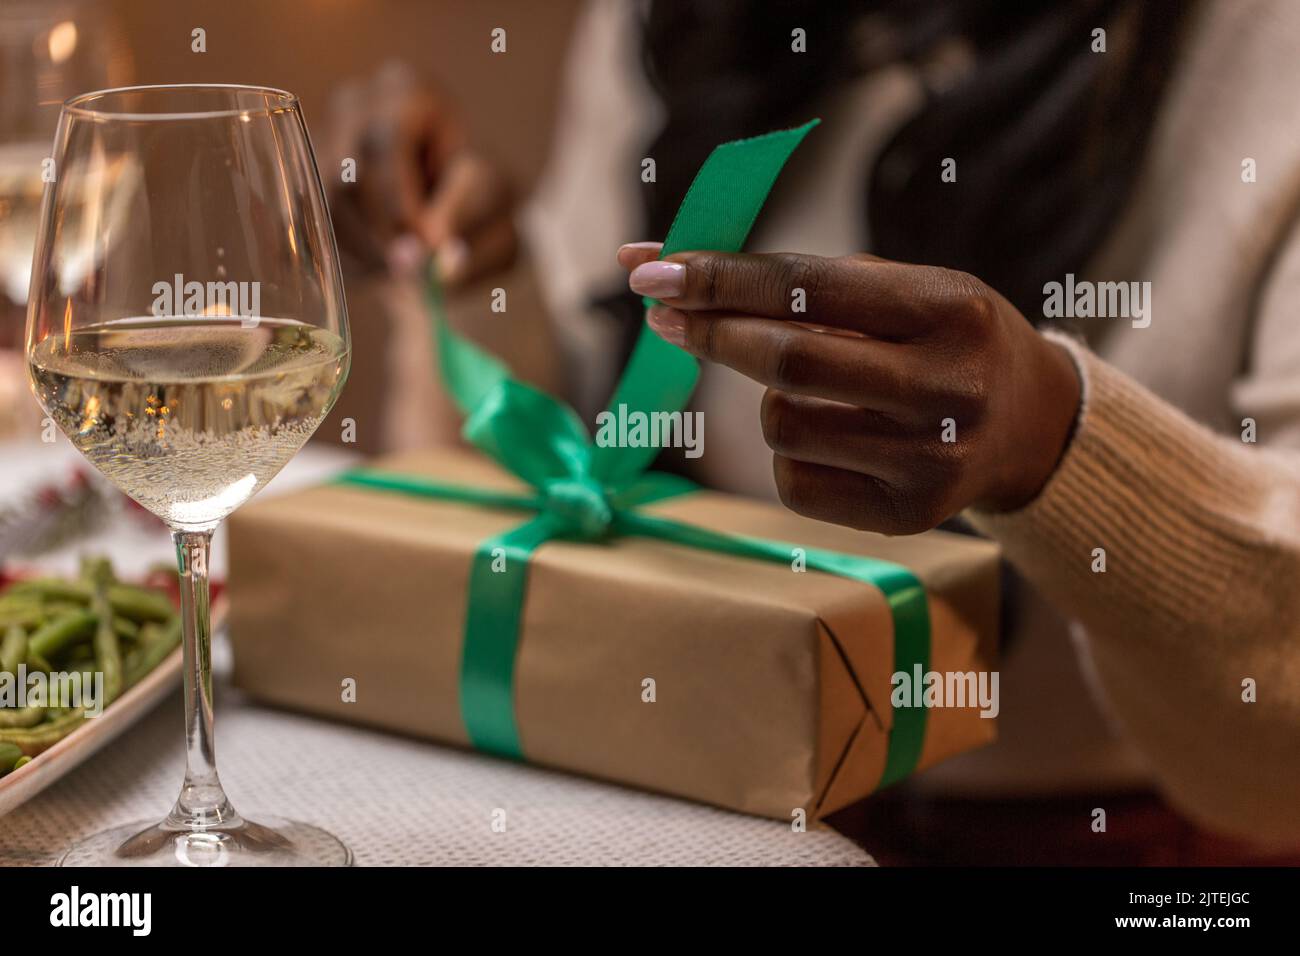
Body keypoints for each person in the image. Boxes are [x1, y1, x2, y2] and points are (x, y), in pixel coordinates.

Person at [330, 0, 1300, 856]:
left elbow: (1277, 762)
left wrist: (1056, 445)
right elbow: (585, 430)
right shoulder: (673, 19)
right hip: (699, 790)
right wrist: (476, 277)